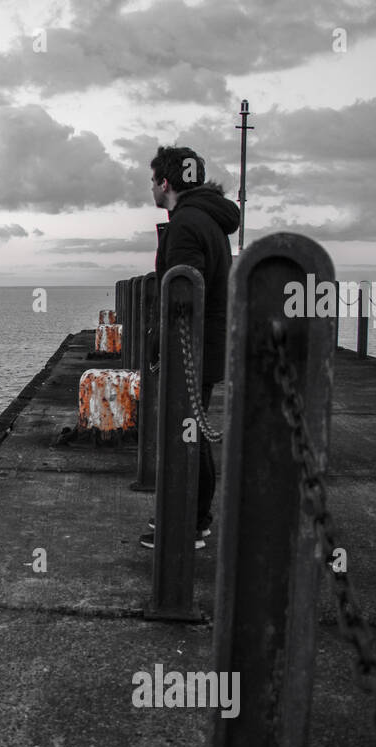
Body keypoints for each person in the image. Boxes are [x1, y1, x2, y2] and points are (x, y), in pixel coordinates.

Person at [140, 145, 240, 551]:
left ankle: (188, 524)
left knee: (187, 435)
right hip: (207, 345)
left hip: (191, 349)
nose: (150, 188)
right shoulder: (209, 219)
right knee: (192, 433)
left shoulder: (185, 224)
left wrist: (159, 343)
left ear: (165, 183)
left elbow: (183, 293)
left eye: (152, 181)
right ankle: (192, 517)